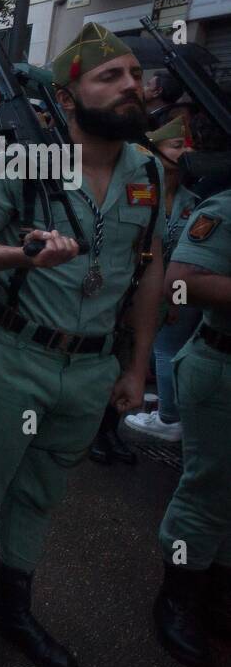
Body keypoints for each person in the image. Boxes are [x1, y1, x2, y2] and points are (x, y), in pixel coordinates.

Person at [0, 23, 164, 667]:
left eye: (134, 74)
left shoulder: (149, 170)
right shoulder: (27, 161)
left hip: (90, 367)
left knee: (40, 493)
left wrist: (135, 364)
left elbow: (150, 268)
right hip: (15, 353)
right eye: (110, 77)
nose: (130, 85)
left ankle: (16, 607)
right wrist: (20, 254)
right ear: (70, 97)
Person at [154, 188, 231, 667]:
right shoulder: (223, 209)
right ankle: (177, 597)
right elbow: (179, 285)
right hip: (222, 366)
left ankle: (217, 592)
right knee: (208, 489)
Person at [125, 115, 198, 442]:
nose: (186, 152)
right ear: (153, 150)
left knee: (169, 347)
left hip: (176, 293)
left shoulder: (191, 200)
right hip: (136, 292)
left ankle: (169, 417)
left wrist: (175, 302)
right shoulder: (138, 190)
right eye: (177, 145)